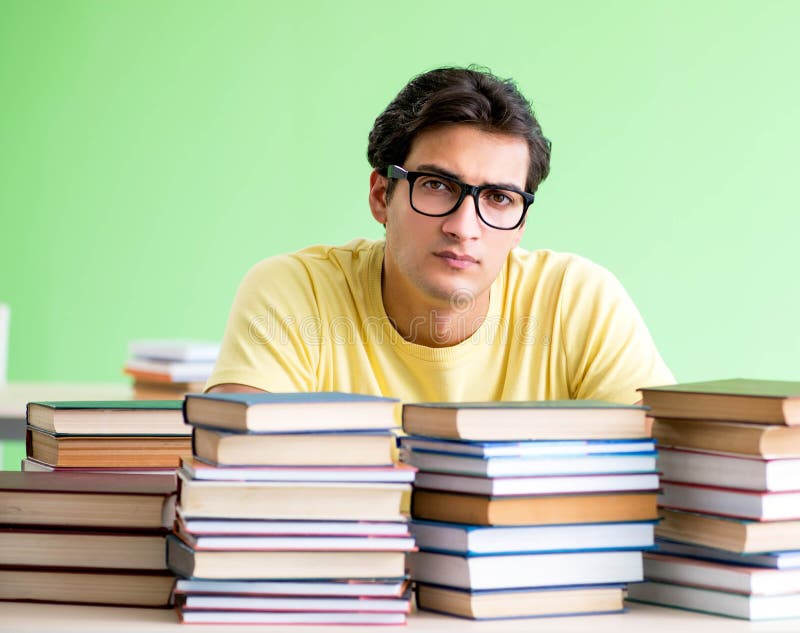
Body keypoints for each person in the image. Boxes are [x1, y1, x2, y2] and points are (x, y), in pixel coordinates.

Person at [206, 66, 673, 404]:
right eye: (436, 186)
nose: (463, 227)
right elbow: (240, 477)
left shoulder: (578, 300)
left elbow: (663, 469)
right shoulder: (295, 291)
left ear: (520, 225)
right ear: (381, 195)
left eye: (499, 198)